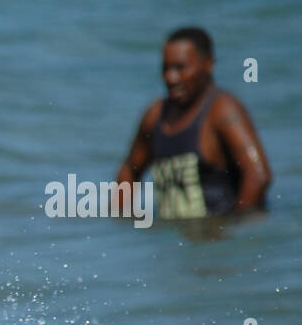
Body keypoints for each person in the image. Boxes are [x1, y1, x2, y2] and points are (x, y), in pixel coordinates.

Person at [115, 27, 271, 221]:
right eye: (166, 69)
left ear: (208, 64)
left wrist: (233, 229)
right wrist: (122, 222)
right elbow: (129, 171)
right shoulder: (156, 115)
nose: (171, 78)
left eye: (180, 68)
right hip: (171, 241)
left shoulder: (222, 110)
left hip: (215, 241)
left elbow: (258, 175)